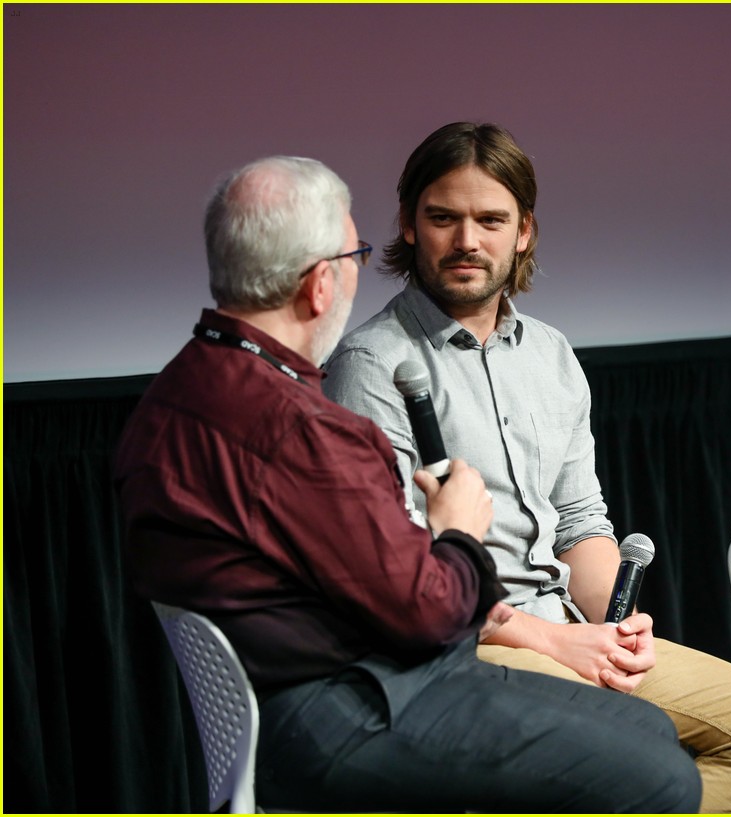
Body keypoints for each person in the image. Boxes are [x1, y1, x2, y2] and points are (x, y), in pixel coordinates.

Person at [113, 155, 701, 813]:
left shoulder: (174, 392)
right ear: (320, 285)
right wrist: (458, 530)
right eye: (355, 256)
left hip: (308, 696)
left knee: (647, 728)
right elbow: (429, 616)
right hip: (348, 709)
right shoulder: (303, 429)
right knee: (663, 777)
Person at [323, 122, 731, 813]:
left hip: (563, 627)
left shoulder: (551, 354)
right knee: (636, 749)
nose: (467, 240)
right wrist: (557, 642)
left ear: (523, 231)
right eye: (443, 218)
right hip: (463, 646)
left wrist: (618, 622)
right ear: (409, 225)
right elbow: (398, 572)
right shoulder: (371, 365)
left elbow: (580, 523)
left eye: (490, 220)